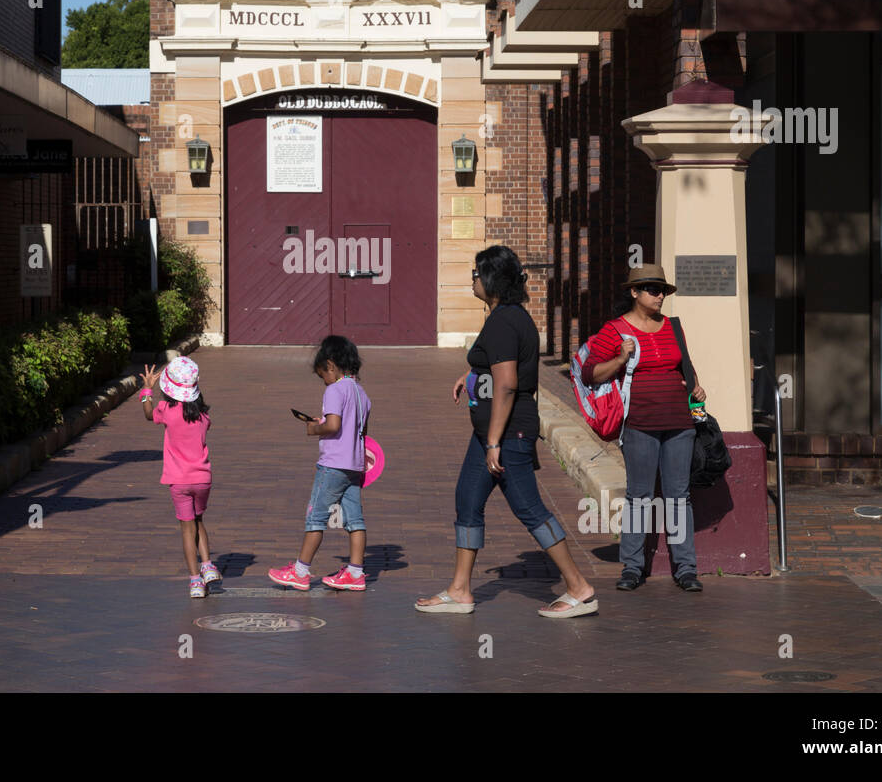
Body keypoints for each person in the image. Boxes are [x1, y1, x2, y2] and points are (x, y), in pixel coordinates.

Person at [416, 245, 598, 618]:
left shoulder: (503, 321)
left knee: (529, 508)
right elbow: (497, 370)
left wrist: (495, 441)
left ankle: (579, 588)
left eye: (476, 273)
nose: (473, 280)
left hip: (507, 435)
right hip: (489, 435)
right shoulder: (506, 317)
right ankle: (460, 590)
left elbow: (508, 385)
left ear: (492, 281)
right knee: (467, 500)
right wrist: (470, 377)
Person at [580, 264, 706, 593]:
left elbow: (686, 368)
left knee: (679, 498)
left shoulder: (673, 327)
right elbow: (589, 374)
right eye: (652, 289)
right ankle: (633, 567)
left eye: (662, 289)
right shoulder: (615, 331)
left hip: (680, 423)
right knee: (639, 496)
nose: (659, 295)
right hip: (639, 425)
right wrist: (620, 358)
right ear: (634, 292)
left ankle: (686, 569)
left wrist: (696, 390)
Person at [268, 336, 372, 593]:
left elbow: (334, 425)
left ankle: (300, 571)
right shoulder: (361, 393)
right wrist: (326, 421)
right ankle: (356, 573)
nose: (323, 379)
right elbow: (359, 429)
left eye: (322, 374)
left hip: (332, 464)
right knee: (355, 520)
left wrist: (316, 428)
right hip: (354, 464)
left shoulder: (334, 390)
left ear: (331, 365)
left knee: (316, 517)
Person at [139, 356, 221, 598]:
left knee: (187, 529)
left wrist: (147, 389)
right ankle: (207, 566)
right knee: (199, 521)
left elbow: (147, 414)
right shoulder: (203, 418)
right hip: (202, 479)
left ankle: (196, 581)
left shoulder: (166, 411)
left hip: (178, 481)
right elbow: (202, 417)